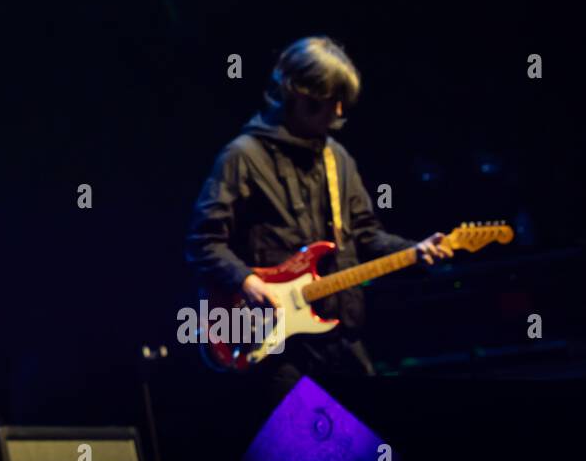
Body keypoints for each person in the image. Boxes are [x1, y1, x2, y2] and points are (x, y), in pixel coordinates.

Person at [185, 36, 451, 386]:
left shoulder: (337, 159)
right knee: (296, 440)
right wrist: (247, 281)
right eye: (332, 102)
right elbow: (203, 242)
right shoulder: (242, 157)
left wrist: (414, 251)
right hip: (278, 348)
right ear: (300, 96)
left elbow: (365, 235)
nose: (340, 112)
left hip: (341, 342)